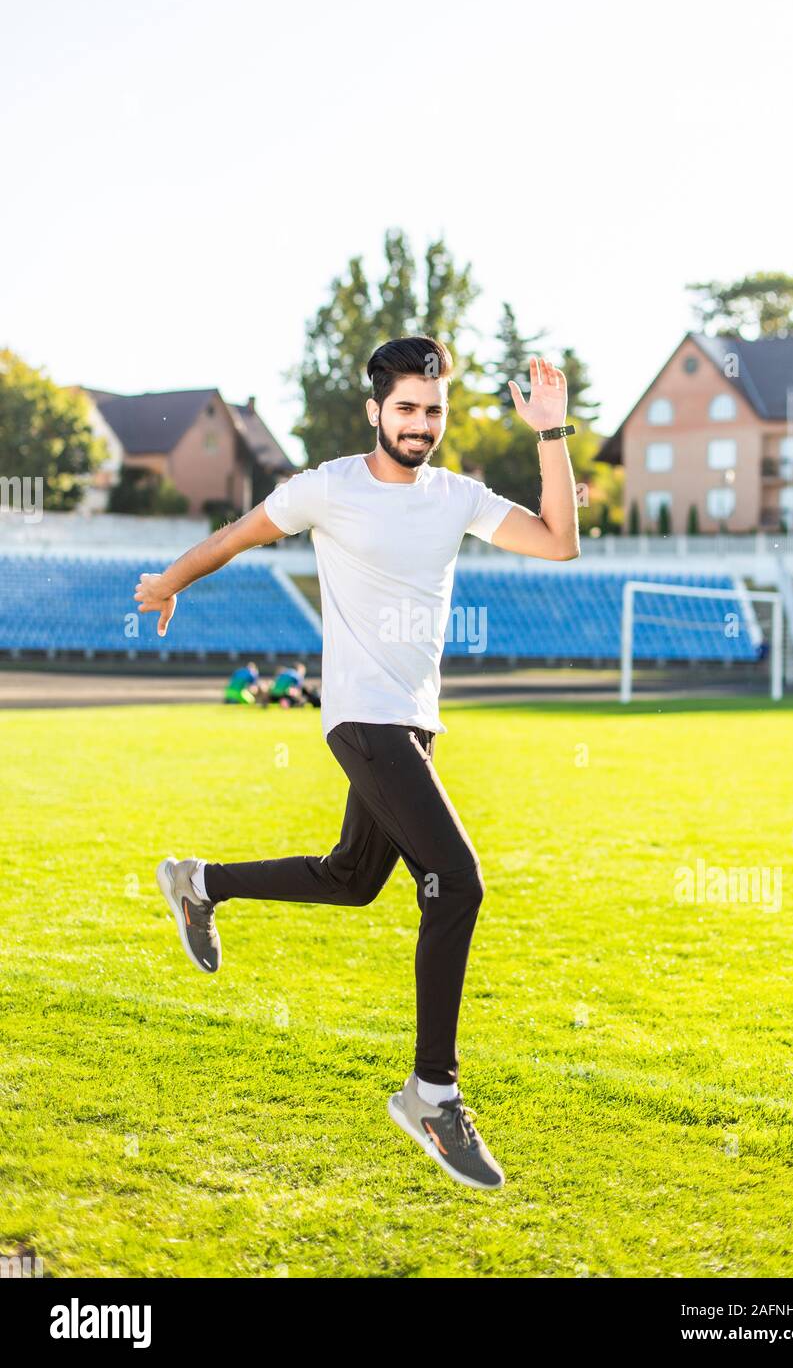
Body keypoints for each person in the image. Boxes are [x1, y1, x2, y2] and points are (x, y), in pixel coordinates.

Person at [136, 338, 579, 1191]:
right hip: (361, 719)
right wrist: (172, 582)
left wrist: (550, 435)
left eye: (434, 410)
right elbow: (238, 535)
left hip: (413, 723)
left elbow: (559, 541)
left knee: (352, 878)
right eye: (406, 408)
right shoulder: (326, 488)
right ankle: (432, 1093)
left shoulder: (457, 498)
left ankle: (198, 882)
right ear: (376, 411)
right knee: (458, 880)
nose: (421, 424)